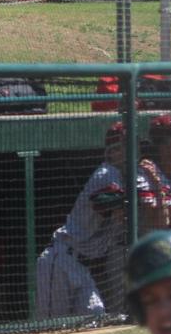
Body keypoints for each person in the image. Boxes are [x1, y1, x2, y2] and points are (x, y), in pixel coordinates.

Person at [34, 122, 130, 321]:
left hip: (82, 265)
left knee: (94, 316)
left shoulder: (122, 175)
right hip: (60, 260)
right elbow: (113, 208)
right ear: (113, 152)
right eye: (124, 147)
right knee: (52, 330)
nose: (132, 151)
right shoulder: (107, 174)